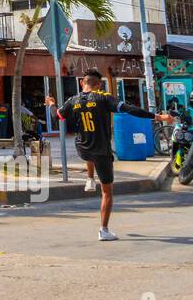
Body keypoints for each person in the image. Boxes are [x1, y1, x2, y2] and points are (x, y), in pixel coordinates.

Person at [47, 69, 158, 242]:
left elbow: (57, 116)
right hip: (101, 151)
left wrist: (51, 104)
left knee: (88, 153)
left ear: (82, 83)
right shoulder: (105, 98)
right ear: (98, 85)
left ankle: (90, 178)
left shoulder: (72, 100)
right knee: (107, 192)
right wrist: (156, 116)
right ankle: (104, 230)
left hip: (82, 149)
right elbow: (129, 109)